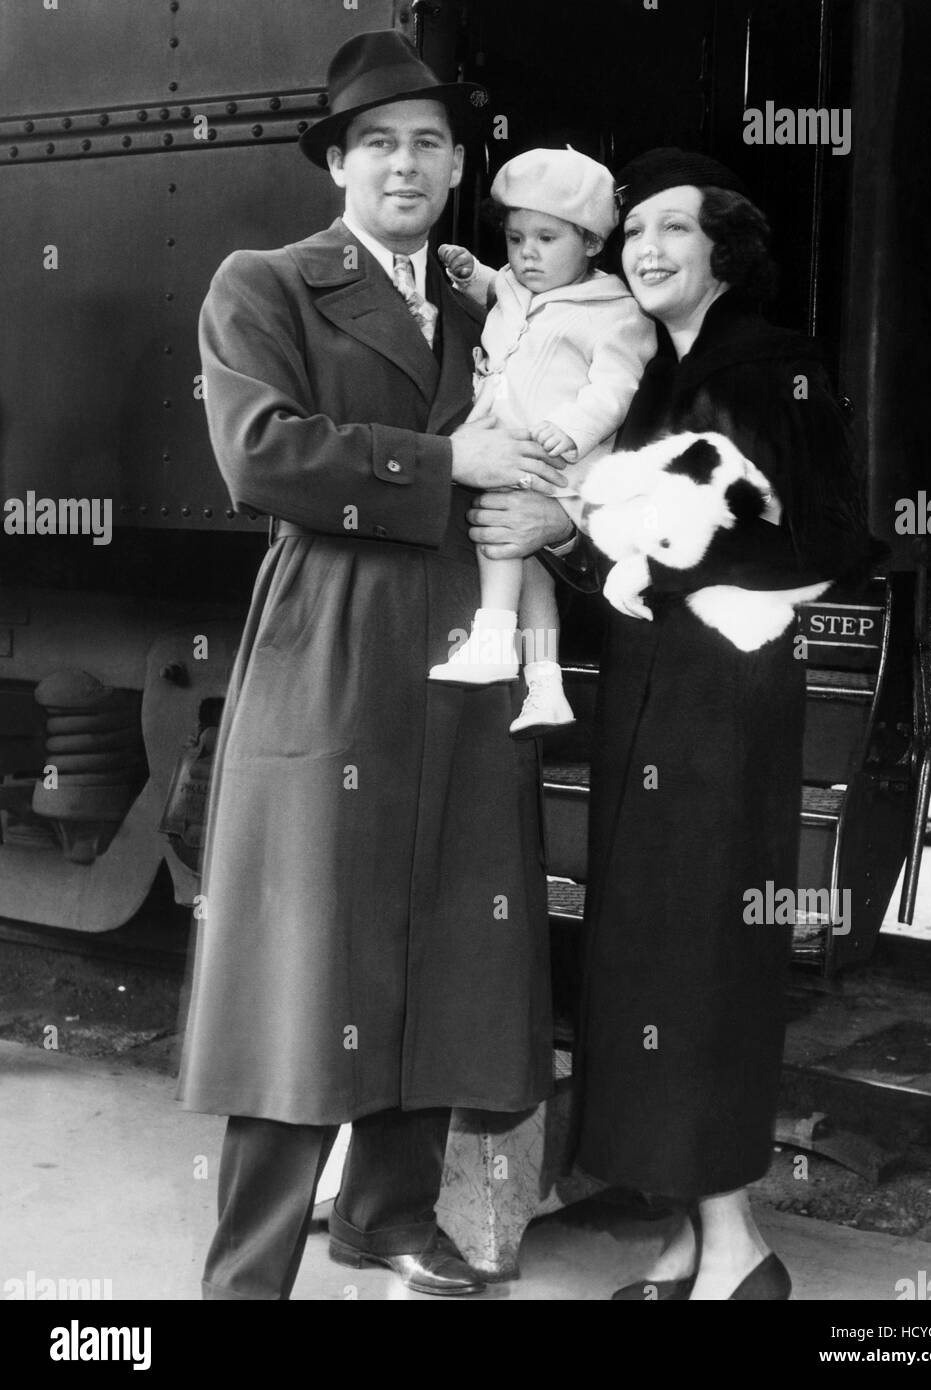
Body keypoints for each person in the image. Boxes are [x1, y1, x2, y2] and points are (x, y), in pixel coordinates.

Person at [177, 29, 579, 1301]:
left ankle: (387, 1218)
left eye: (426, 144)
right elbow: (261, 457)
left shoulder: (493, 299)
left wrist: (556, 520)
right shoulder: (264, 282)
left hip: (471, 633)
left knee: (445, 929)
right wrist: (441, 468)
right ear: (337, 166)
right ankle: (246, 1270)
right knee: (306, 954)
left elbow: (564, 435)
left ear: (459, 165)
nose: (403, 166)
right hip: (335, 631)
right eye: (376, 146)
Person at [570, 148, 884, 1300]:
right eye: (633, 230)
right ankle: (689, 1234)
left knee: (699, 951)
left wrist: (736, 603)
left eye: (671, 229)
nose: (644, 248)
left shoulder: (776, 364)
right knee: (643, 948)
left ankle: (735, 1245)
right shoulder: (652, 373)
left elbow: (839, 537)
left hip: (721, 698)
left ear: (721, 250)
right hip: (645, 683)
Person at [427, 148, 655, 737]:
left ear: (593, 243)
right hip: (514, 444)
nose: (527, 253)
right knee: (532, 569)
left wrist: (574, 430)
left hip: (553, 456)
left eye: (547, 239)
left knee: (499, 532)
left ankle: (493, 638)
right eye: (515, 237)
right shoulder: (514, 285)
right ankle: (547, 683)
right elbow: (493, 289)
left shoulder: (616, 313)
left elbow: (616, 388)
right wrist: (466, 272)